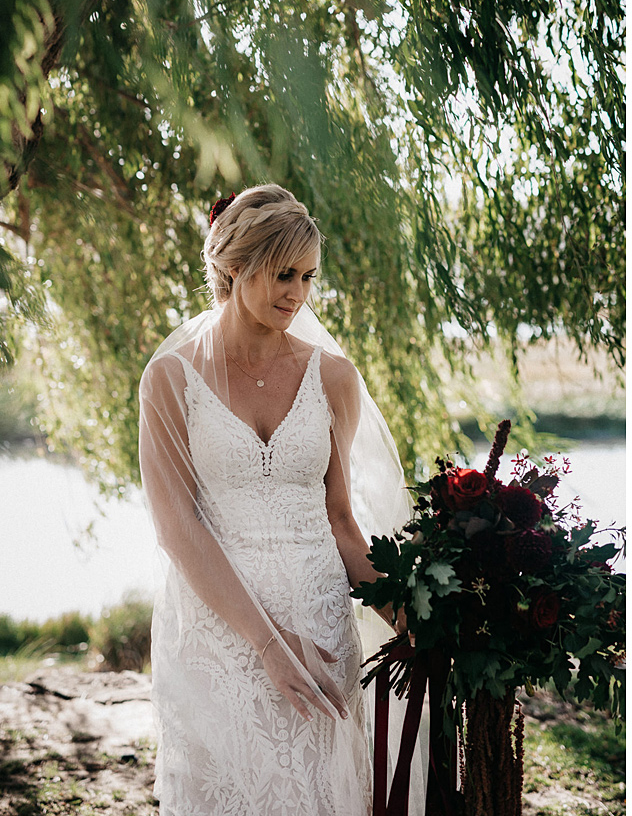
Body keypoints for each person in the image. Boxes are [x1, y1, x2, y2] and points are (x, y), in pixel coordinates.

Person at [138, 184, 413, 814]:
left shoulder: (334, 378)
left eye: (308, 277)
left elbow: (342, 523)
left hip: (320, 623)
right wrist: (268, 644)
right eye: (282, 274)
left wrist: (412, 621)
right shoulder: (171, 379)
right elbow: (178, 527)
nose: (297, 293)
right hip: (217, 631)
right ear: (234, 266)